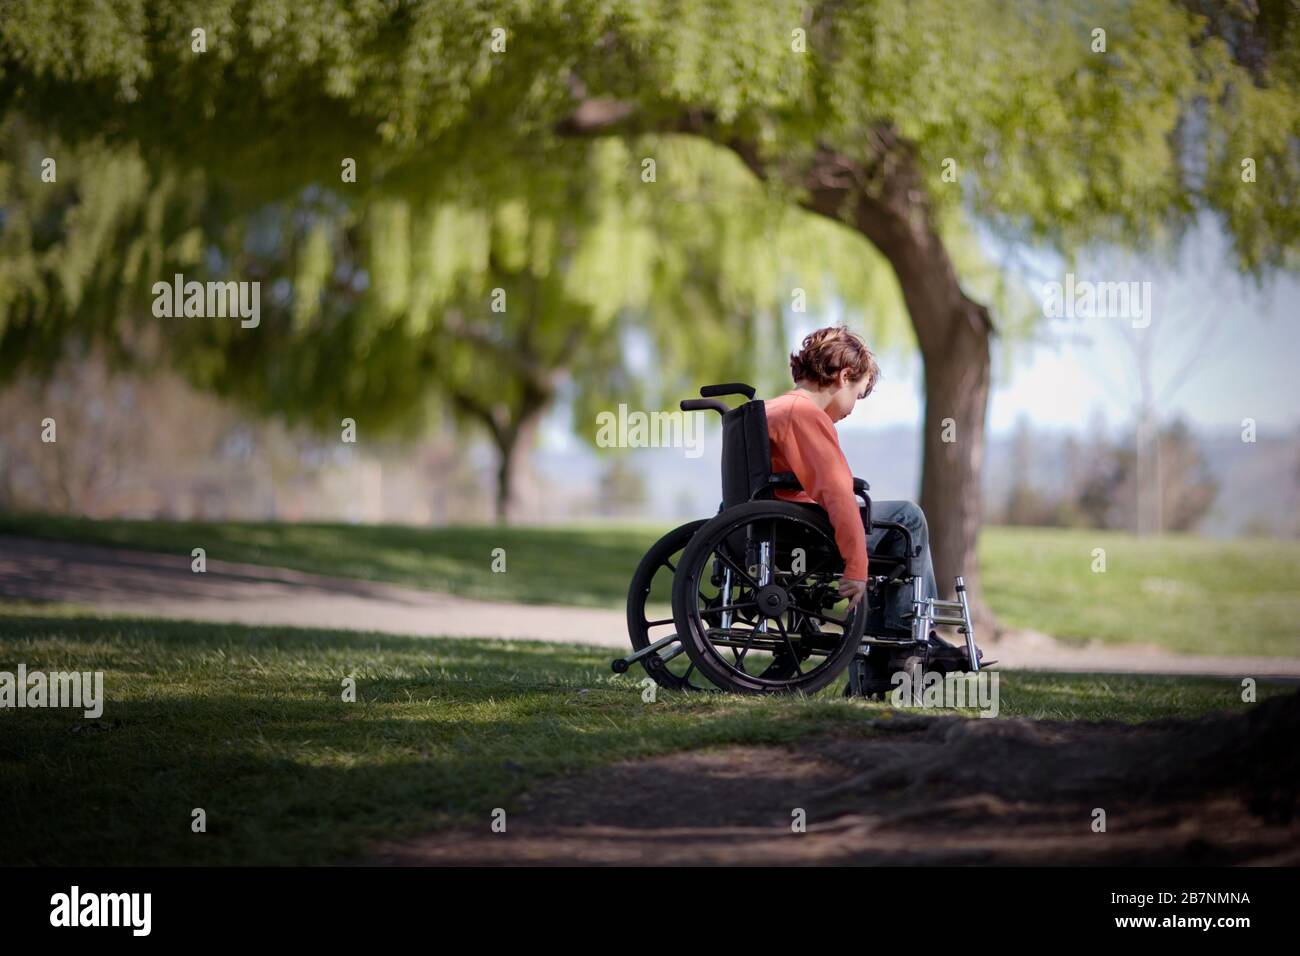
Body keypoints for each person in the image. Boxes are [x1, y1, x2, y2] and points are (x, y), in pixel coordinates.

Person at [764, 325, 981, 668]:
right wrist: (856, 567)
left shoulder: (769, 409)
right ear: (844, 376)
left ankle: (891, 640)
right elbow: (837, 495)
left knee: (883, 522)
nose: (853, 409)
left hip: (771, 527)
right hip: (801, 532)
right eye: (859, 394)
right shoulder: (805, 415)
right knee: (907, 517)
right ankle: (907, 633)